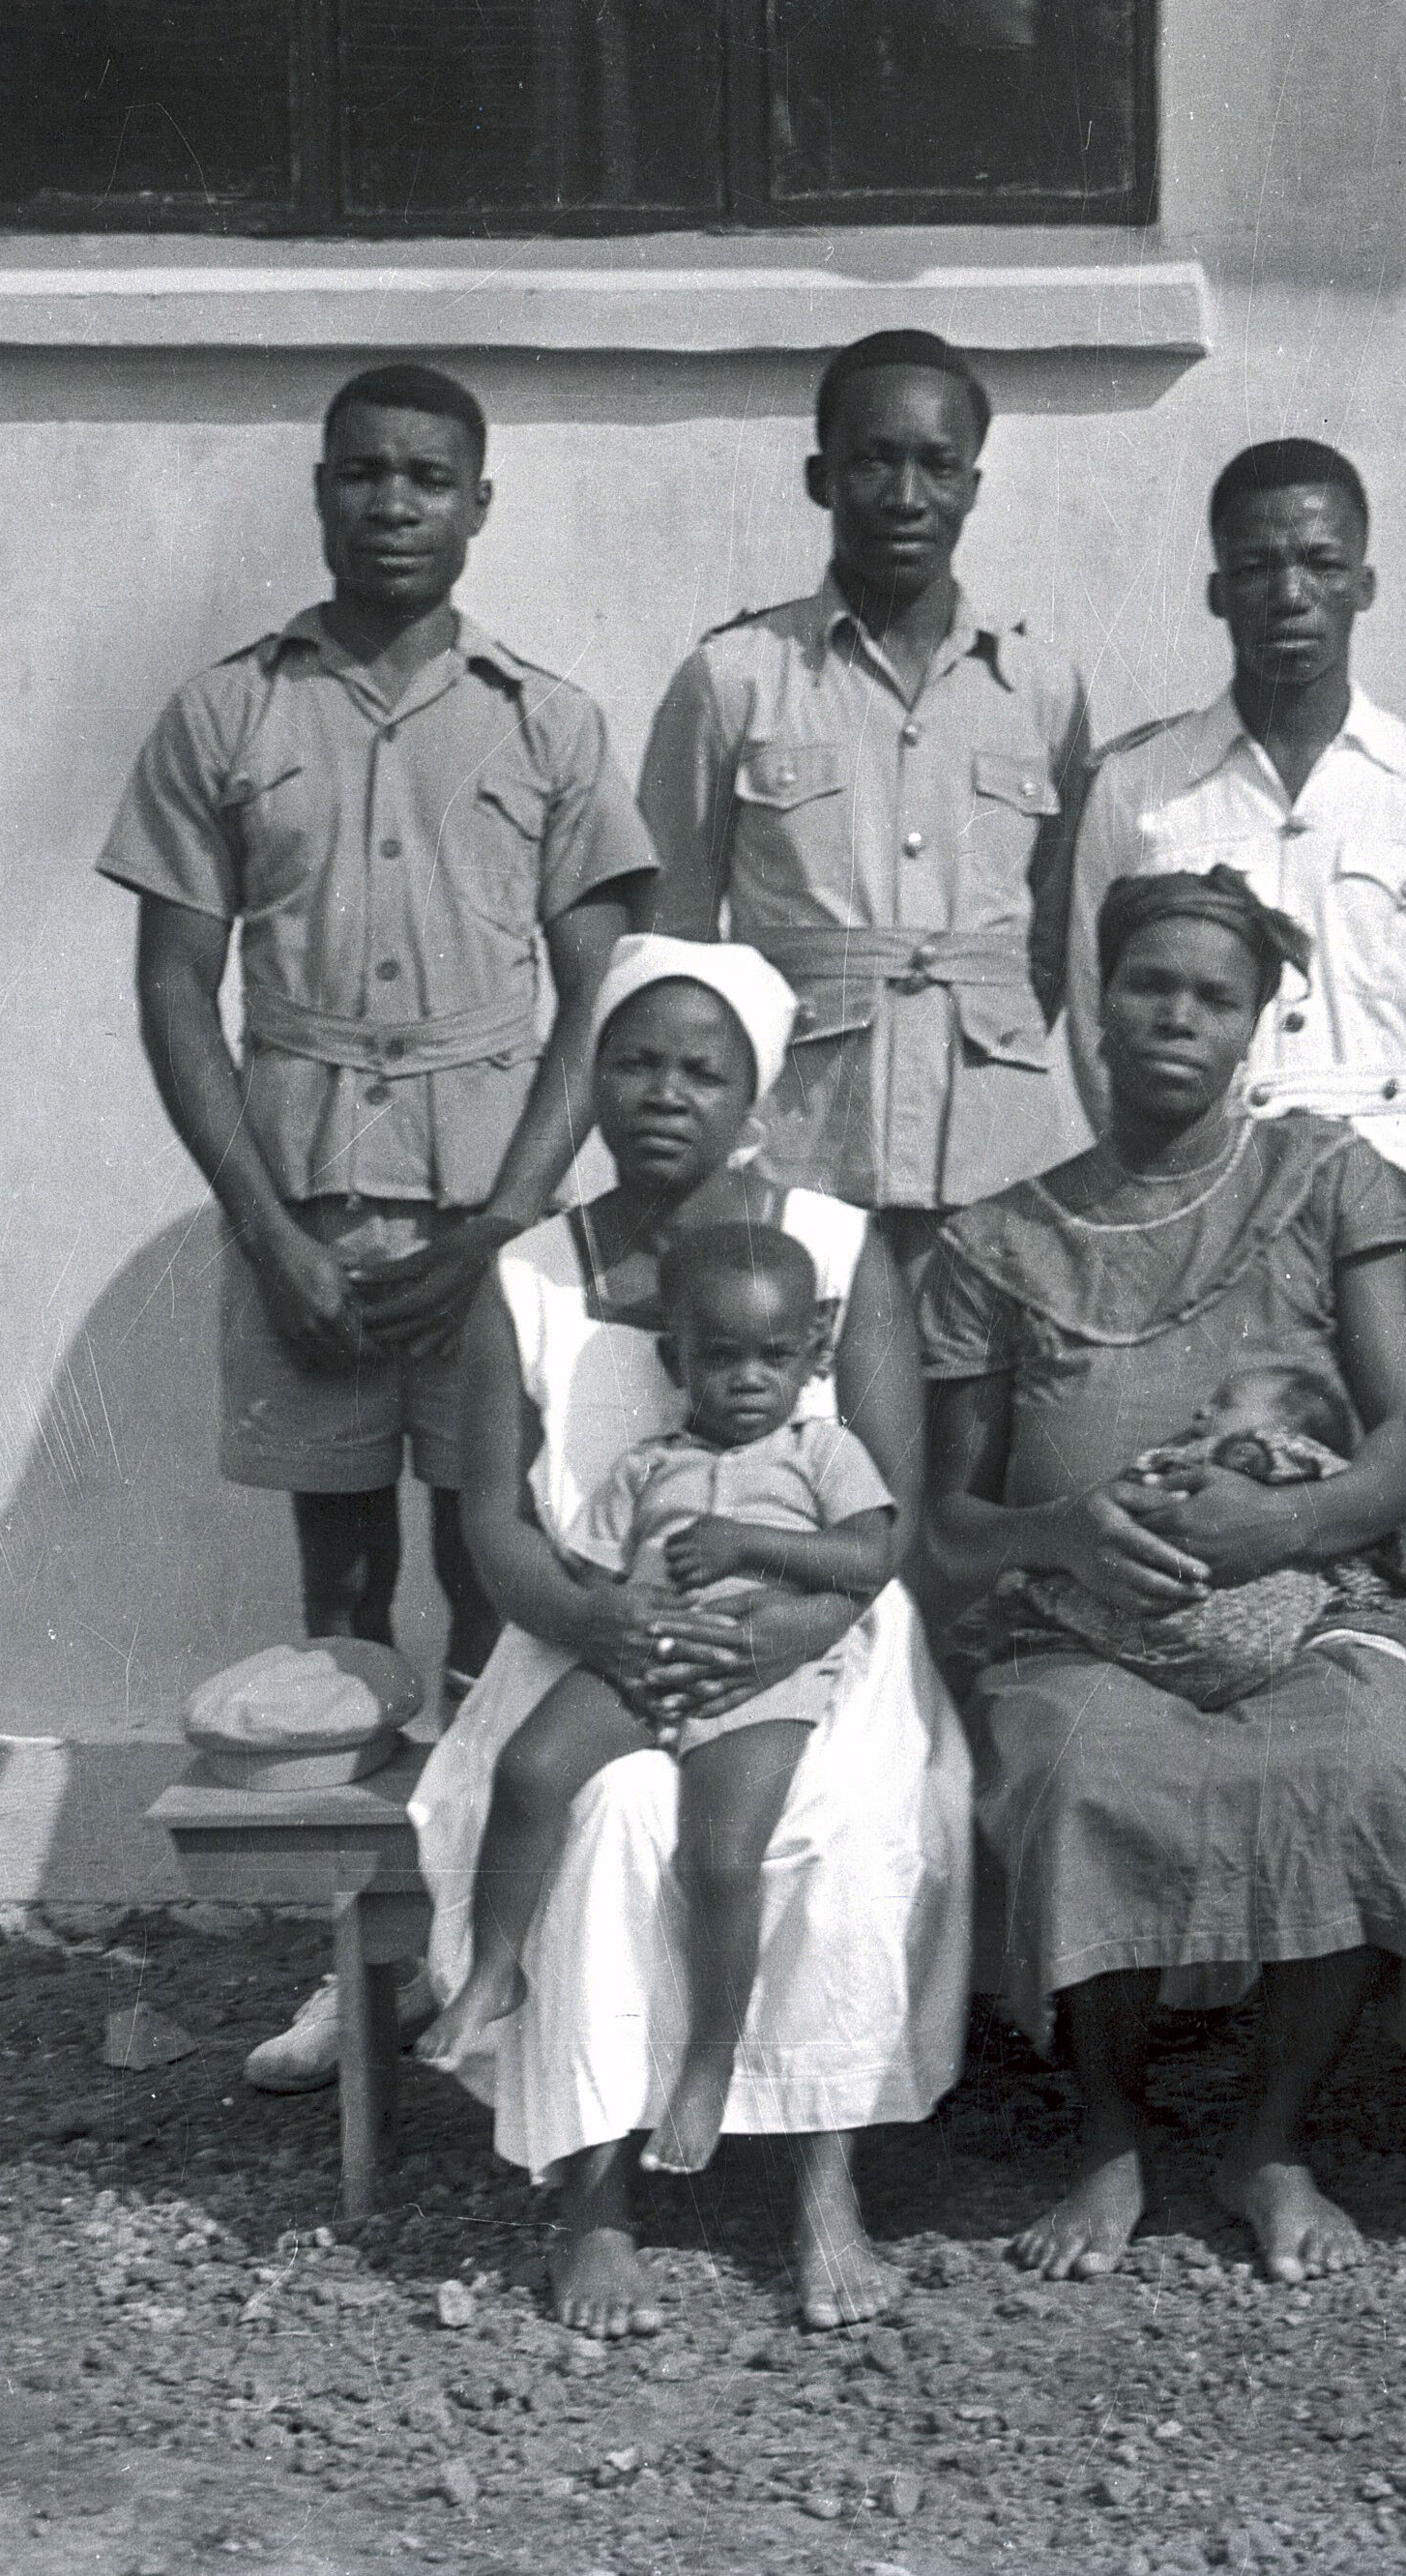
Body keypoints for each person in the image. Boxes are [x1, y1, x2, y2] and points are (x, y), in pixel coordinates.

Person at [409, 937, 971, 2334]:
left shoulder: (838, 1251)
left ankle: (820, 2182)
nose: (664, 1090)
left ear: (754, 1096)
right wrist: (601, 1616)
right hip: (585, 1632)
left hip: (815, 1635)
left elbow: (885, 1523)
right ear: (589, 1079)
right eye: (634, 1059)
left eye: (701, 1068)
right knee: (594, 1813)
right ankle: (592, 2194)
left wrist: (771, 1639)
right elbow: (494, 1521)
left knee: (837, 1823)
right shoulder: (527, 1273)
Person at [922, 867, 1406, 2288]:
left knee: (1361, 1756)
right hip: (1075, 1622)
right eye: (1147, 984)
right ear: (1093, 1004)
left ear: (1257, 1023)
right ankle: (1108, 2128)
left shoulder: (1325, 1179)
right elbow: (947, 1518)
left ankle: (1270, 2137)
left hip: (1311, 1598)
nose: (1177, 1015)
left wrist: (1283, 1529)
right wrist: (1058, 1532)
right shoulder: (995, 1238)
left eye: (1213, 996)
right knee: (1075, 1759)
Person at [104, 362, 649, 1712]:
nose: (391, 504)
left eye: (425, 478)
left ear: (477, 505)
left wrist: (506, 1223)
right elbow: (176, 984)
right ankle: (352, 1902)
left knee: (492, 1564)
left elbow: (603, 992)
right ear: (319, 493)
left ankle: (462, 1910)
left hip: (490, 1215)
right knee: (339, 1591)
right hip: (310, 1213)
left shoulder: (548, 721)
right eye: (362, 473)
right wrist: (267, 1230)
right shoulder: (229, 711)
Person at [416, 1221, 898, 2177]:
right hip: (645, 1667)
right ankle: (495, 1967)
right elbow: (586, 1573)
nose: (748, 1379)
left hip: (762, 1682)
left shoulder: (822, 1454)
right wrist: (614, 1614)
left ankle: (710, 2059)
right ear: (678, 1359)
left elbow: (868, 1558)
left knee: (724, 1858)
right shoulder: (646, 1465)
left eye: (773, 1356)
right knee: (529, 1768)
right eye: (721, 1359)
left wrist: (749, 1548)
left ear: (812, 1352)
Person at [643, 330, 1095, 1265]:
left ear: (973, 485)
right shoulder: (736, 678)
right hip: (801, 1148)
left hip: (990, 1155)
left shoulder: (1040, 691)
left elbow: (1052, 940)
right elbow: (672, 940)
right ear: (821, 478)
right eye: (871, 462)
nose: (904, 497)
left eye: (937, 466)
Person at [1064, 438, 1406, 1188]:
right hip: (1204, 1181)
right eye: (1256, 568)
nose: (1290, 594)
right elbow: (1099, 1019)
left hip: (1393, 1180)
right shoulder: (1135, 784)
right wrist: (1160, 1183)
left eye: (1322, 563)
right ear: (1218, 592)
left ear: (1364, 584)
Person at [1003, 1359, 1399, 1712]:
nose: (1202, 1411)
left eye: (1225, 1403)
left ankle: (1036, 1601)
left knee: (1050, 1599)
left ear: (1283, 1428)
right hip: (1255, 1645)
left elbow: (1289, 1460)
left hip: (1200, 1621)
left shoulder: (1256, 1450)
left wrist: (1245, 1456)